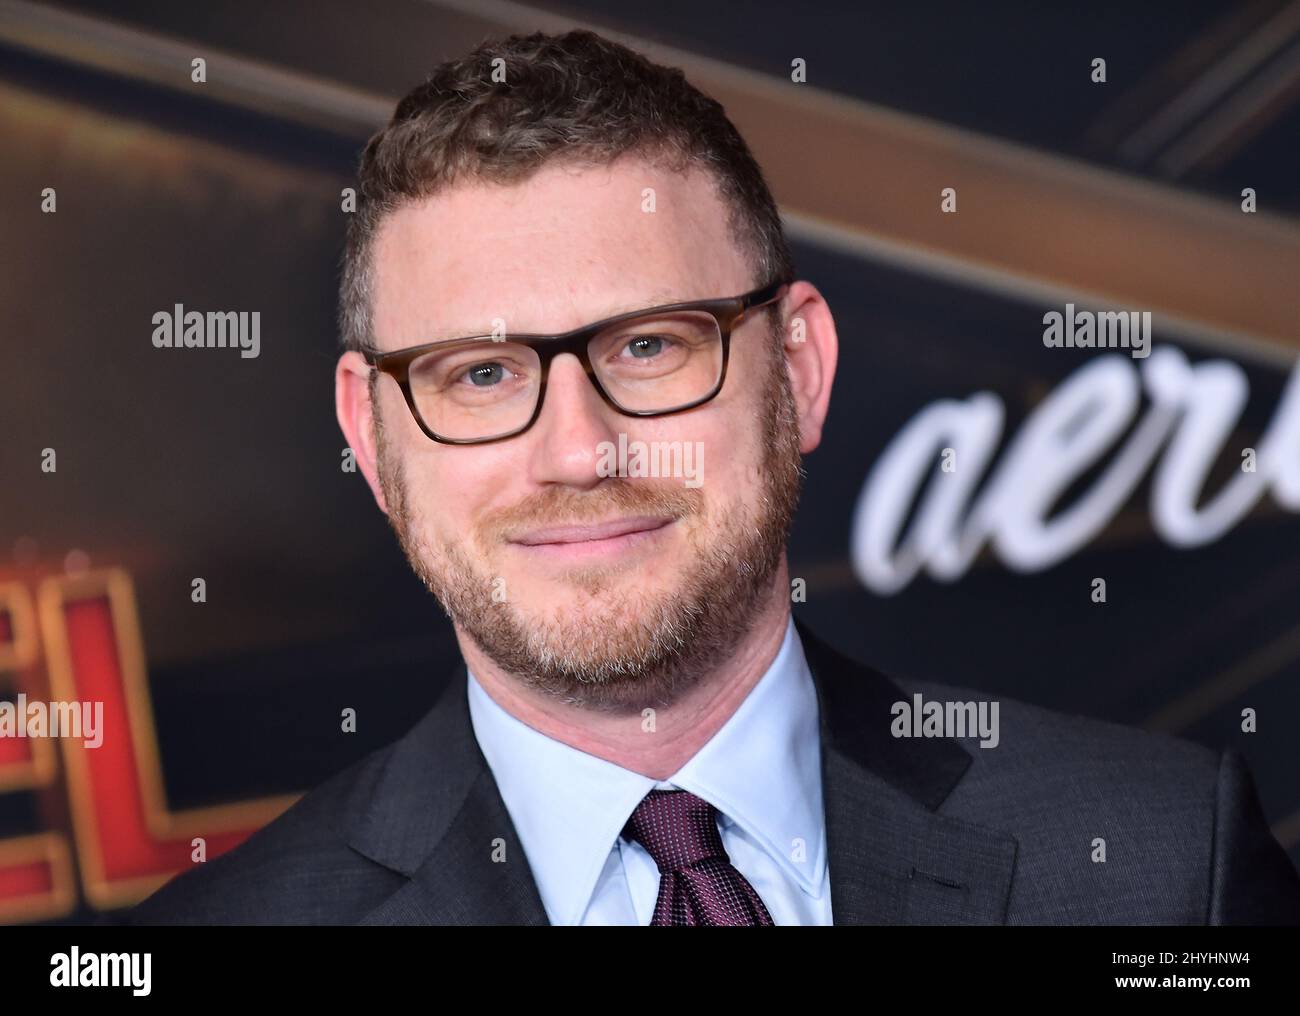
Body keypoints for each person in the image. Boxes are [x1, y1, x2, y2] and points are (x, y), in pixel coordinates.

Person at [123, 28, 1300, 926]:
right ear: (372, 435)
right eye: (478, 373)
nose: (579, 451)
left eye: (649, 346)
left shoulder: (1158, 862)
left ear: (799, 367)